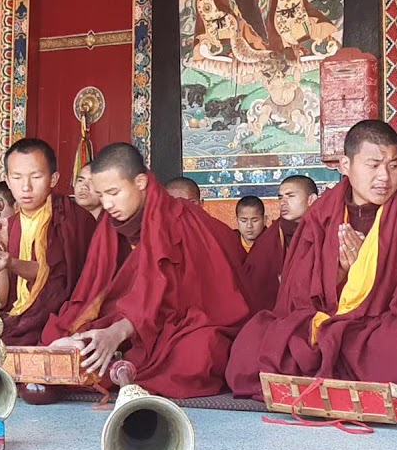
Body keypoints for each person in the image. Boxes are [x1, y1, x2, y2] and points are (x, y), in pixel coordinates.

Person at [227, 121, 397, 402]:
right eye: (374, 165)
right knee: (256, 341)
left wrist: (370, 273)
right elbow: (299, 298)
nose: (385, 178)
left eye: (393, 165)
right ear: (345, 164)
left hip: (387, 321)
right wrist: (342, 272)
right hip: (333, 317)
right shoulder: (322, 214)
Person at [42, 143, 250, 398]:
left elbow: (188, 298)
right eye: (101, 195)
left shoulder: (179, 221)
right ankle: (118, 364)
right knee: (60, 335)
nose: (107, 204)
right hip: (128, 317)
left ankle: (121, 367)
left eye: (114, 192)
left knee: (199, 355)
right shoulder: (111, 225)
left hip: (183, 320)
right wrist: (82, 330)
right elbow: (94, 291)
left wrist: (118, 332)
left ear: (140, 182)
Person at [0, 139, 97, 346]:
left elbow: (54, 275)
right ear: (7, 180)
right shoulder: (6, 226)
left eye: (36, 177)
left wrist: (12, 262)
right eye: (17, 177)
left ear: (53, 179)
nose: (26, 187)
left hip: (62, 314)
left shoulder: (71, 219)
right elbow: (0, 298)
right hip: (20, 319)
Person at [241, 175, 318, 313]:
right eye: (280, 197)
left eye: (290, 196)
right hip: (277, 312)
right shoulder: (272, 236)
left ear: (311, 199)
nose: (283, 202)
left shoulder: (323, 229)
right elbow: (254, 285)